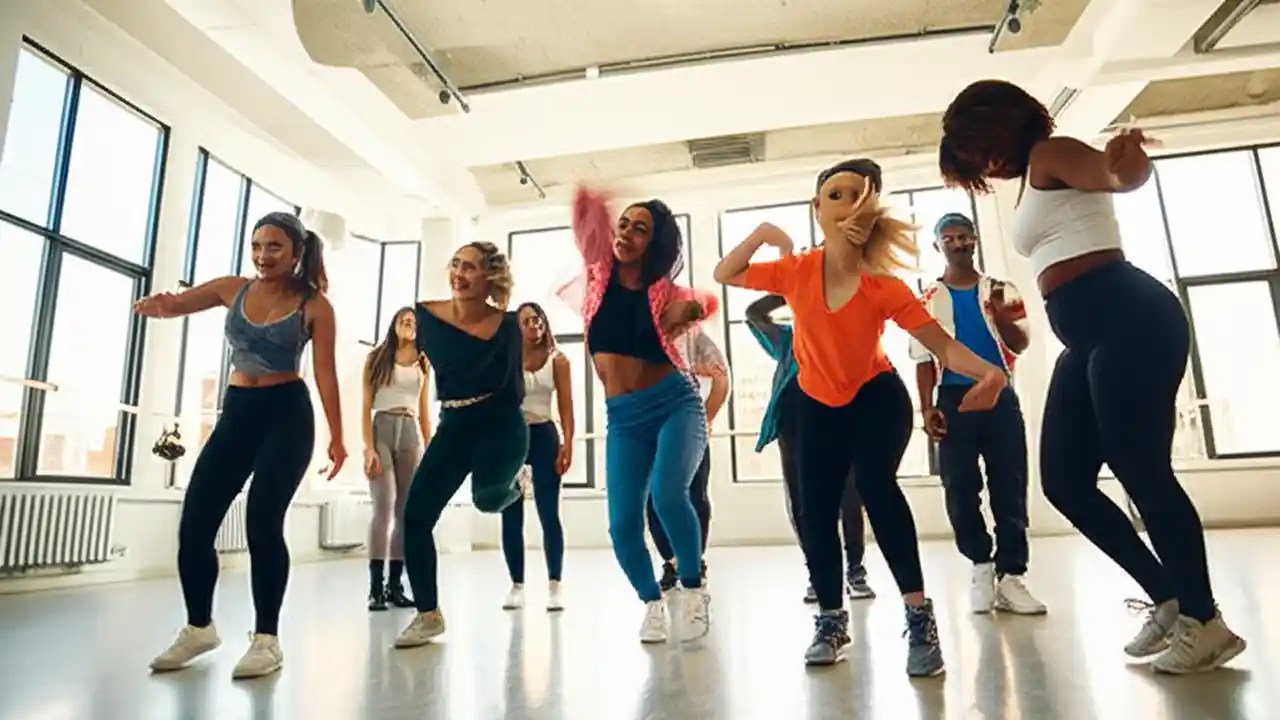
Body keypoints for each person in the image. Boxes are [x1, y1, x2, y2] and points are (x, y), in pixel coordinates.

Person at [939, 79, 1246, 673]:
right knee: (1064, 480)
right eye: (976, 163)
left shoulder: (1051, 153)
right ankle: (1170, 598)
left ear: (1003, 126)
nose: (987, 167)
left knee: (1142, 470)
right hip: (1088, 337)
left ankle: (1204, 622)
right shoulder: (1031, 176)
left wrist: (1130, 164)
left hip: (1128, 317)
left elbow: (1115, 175)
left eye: (983, 151)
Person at [714, 158, 1007, 676]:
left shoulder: (883, 285)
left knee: (875, 485)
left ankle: (919, 617)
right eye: (836, 195)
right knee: (815, 508)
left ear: (871, 211)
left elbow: (941, 345)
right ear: (817, 210)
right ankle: (831, 619)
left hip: (877, 397)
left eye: (858, 196)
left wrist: (991, 372)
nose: (847, 204)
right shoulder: (796, 270)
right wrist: (763, 232)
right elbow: (725, 273)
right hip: (815, 402)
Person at [140, 212, 345, 680]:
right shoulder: (232, 289)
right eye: (256, 245)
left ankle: (267, 639)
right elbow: (180, 303)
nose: (262, 255)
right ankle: (199, 628)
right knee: (195, 523)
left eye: (274, 246)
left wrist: (338, 437)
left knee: (263, 525)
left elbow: (327, 375)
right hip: (238, 413)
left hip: (287, 415)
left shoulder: (315, 305)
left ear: (296, 253)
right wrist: (162, 304)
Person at [557, 186, 723, 644]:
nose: (627, 233)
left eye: (640, 229)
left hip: (674, 404)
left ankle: (693, 586)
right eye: (624, 224)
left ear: (656, 243)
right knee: (622, 525)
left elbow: (707, 302)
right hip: (624, 418)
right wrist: (590, 197)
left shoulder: (663, 291)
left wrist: (689, 308)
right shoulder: (597, 282)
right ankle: (652, 602)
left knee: (668, 494)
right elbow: (585, 227)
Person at [907, 212, 1046, 616]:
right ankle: (981, 566)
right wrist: (927, 407)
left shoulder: (1002, 289)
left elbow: (1021, 343)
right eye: (949, 237)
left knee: (1010, 483)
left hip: (1000, 396)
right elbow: (922, 358)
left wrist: (1002, 319)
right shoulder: (927, 300)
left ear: (975, 241)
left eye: (964, 236)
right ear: (937, 246)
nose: (958, 243)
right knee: (959, 486)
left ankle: (1012, 574)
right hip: (953, 399)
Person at [393, 242, 528, 649]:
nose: (459, 274)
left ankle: (517, 485)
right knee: (415, 517)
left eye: (470, 267)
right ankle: (428, 614)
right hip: (454, 424)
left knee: (487, 500)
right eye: (455, 264)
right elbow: (400, 358)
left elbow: (513, 389)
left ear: (489, 277)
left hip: (500, 423)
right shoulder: (425, 316)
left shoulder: (508, 326)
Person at [745, 294, 876, 603]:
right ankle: (818, 571)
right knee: (802, 501)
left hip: (840, 422)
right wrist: (791, 289)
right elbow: (754, 313)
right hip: (793, 426)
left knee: (849, 496)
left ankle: (854, 569)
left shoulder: (846, 338)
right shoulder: (787, 339)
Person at [501, 301, 574, 612]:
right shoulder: (506, 359)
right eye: (527, 321)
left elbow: (567, 406)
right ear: (517, 328)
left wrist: (567, 443)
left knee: (548, 513)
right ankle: (516, 585)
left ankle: (555, 584)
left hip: (544, 436)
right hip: (513, 438)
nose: (534, 324)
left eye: (538, 319)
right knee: (511, 512)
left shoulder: (558, 361)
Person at [361, 306, 430, 611]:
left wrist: (431, 447)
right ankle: (375, 588)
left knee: (405, 511)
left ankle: (395, 585)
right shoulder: (376, 358)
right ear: (394, 325)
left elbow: (425, 411)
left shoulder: (423, 362)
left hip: (410, 431)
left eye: (413, 321)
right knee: (384, 506)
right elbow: (365, 405)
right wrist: (368, 448)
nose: (408, 323)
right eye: (403, 319)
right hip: (383, 429)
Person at [649, 327, 728, 593]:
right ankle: (671, 561)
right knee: (654, 499)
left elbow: (721, 376)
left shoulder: (693, 336)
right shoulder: (641, 332)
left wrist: (705, 420)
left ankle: (694, 559)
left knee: (695, 495)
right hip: (651, 430)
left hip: (690, 429)